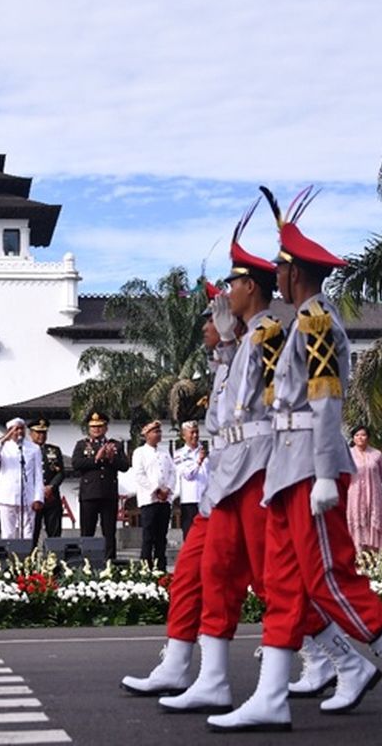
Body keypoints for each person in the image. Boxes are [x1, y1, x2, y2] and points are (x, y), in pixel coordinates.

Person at [210, 195, 382, 732]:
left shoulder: (316, 321)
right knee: (286, 582)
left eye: (281, 267)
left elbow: (325, 402)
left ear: (295, 273)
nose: (276, 274)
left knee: (329, 579)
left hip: (307, 467)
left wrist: (323, 473)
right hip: (287, 468)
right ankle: (271, 695)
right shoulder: (299, 323)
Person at [162, 201, 282, 717]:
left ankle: (340, 660)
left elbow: (284, 406)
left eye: (228, 291)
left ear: (249, 288)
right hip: (230, 474)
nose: (217, 311)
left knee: (274, 578)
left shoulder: (271, 335)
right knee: (209, 571)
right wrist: (225, 348)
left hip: (259, 469)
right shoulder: (241, 347)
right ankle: (204, 674)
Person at [122, 284, 236, 697]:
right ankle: (179, 666)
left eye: (212, 317)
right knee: (188, 575)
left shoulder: (254, 351)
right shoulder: (223, 365)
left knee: (279, 578)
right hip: (219, 491)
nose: (205, 325)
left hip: (249, 485)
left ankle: (341, 658)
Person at [71, 411, 129, 563]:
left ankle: (110, 562)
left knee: (109, 532)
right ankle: (85, 563)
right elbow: (76, 464)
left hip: (108, 493)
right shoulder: (82, 444)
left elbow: (124, 466)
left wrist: (111, 459)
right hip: (90, 494)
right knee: (87, 531)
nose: (96, 430)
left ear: (105, 428)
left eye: (100, 426)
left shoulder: (115, 444)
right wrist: (96, 459)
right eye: (93, 427)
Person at [0, 417, 44, 541]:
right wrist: (3, 440)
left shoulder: (33, 448)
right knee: (8, 533)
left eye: (21, 429)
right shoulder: (3, 447)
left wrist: (38, 497)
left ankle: (26, 559)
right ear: (9, 431)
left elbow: (38, 475)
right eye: (15, 429)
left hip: (27, 497)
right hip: (7, 496)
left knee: (28, 532)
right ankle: (9, 559)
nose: (19, 432)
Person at [130, 420, 175, 571]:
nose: (158, 434)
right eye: (155, 432)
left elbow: (172, 473)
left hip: (164, 500)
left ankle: (161, 568)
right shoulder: (139, 452)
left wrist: (167, 489)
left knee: (161, 537)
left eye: (159, 431)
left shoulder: (165, 453)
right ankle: (146, 568)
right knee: (148, 536)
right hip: (149, 500)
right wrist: (156, 490)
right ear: (147, 435)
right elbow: (139, 475)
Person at [346, 425, 382, 553]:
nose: (360, 438)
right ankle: (357, 556)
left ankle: (374, 558)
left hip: (374, 495)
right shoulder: (347, 454)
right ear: (353, 438)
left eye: (363, 435)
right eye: (357, 435)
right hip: (354, 495)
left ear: (368, 437)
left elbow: (381, 475)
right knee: (357, 522)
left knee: (374, 523)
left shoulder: (377, 454)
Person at [30, 418, 65, 544]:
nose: (41, 435)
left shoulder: (54, 450)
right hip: (33, 498)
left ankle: (53, 561)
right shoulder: (25, 450)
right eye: (38, 432)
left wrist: (51, 486)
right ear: (31, 433)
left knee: (54, 533)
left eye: (44, 432)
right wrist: (38, 490)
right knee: (32, 533)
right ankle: (30, 561)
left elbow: (60, 472)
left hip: (51, 497)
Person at [173, 421, 208, 543]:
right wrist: (198, 462)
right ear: (184, 436)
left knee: (206, 536)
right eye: (191, 432)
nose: (195, 435)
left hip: (205, 500)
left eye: (197, 432)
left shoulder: (205, 451)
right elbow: (188, 475)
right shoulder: (179, 454)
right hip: (190, 500)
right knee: (190, 536)